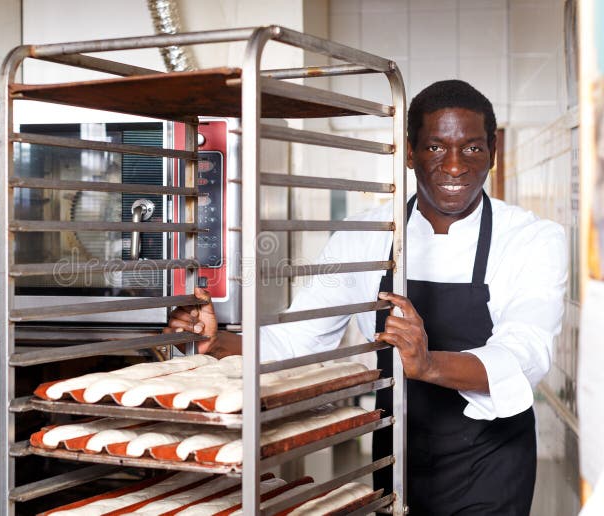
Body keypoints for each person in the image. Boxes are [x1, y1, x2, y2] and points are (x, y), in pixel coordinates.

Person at [165, 80, 568, 515]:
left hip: (491, 464)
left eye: (471, 148)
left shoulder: (532, 239)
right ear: (410, 152)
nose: (454, 166)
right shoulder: (364, 237)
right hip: (396, 455)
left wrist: (428, 363)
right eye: (436, 148)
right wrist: (216, 343)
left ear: (492, 150)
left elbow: (527, 354)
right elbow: (296, 341)